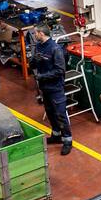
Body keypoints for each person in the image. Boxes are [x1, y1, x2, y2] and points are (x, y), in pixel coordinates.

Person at [30, 24, 72, 155]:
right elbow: (33, 65)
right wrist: (34, 61)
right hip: (45, 88)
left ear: (41, 34)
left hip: (55, 88)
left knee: (60, 114)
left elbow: (60, 70)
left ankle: (67, 141)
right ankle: (56, 134)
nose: (34, 35)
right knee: (49, 112)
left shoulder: (55, 49)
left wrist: (42, 76)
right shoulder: (38, 47)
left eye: (35, 33)